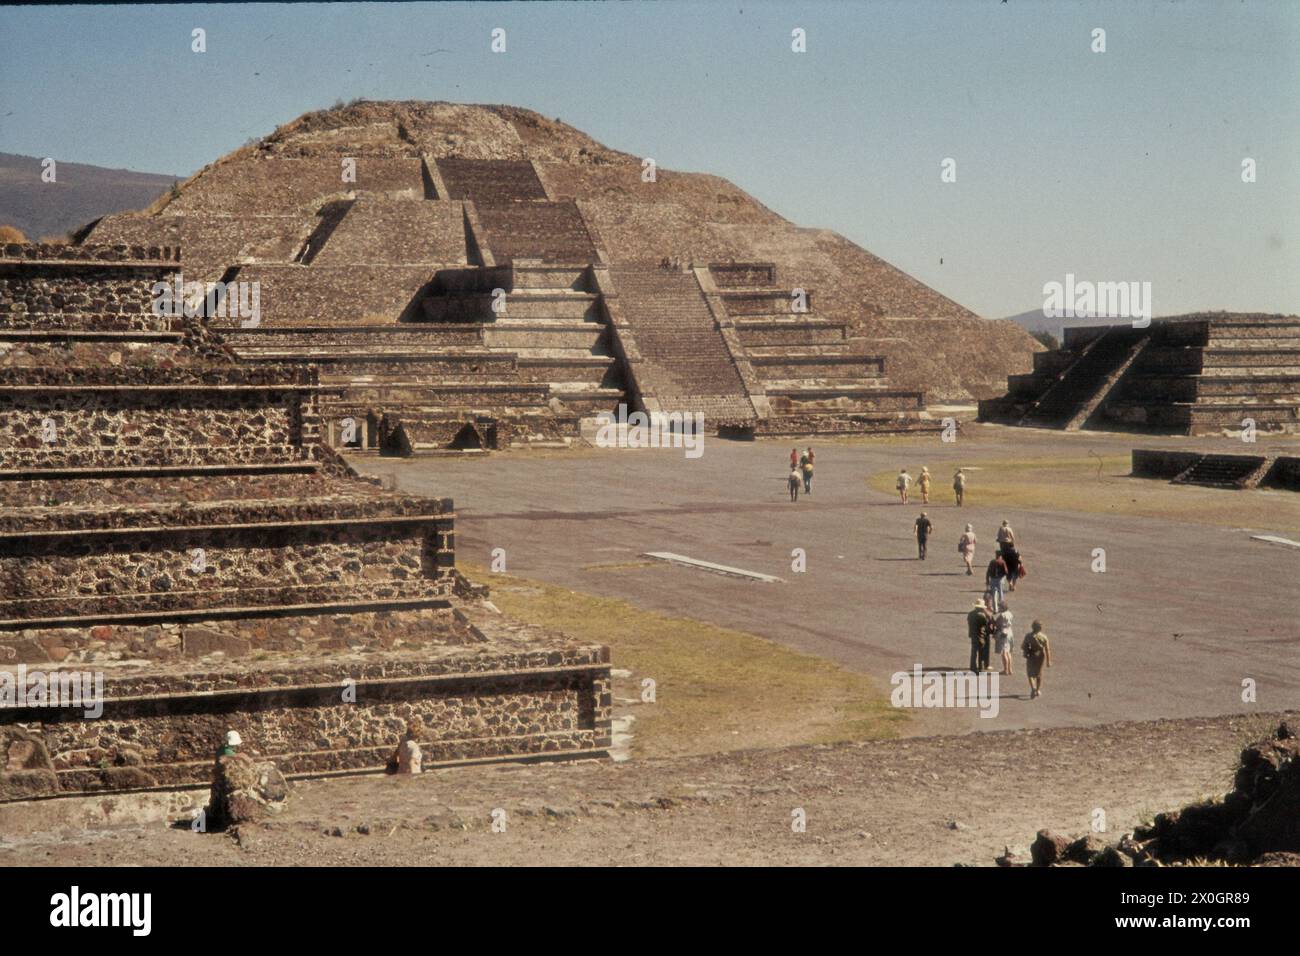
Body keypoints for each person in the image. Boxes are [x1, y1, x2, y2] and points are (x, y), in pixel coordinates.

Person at [1022, 620, 1052, 699]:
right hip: (1040, 656)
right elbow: (1047, 649)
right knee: (1039, 673)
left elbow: (1022, 646)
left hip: (1031, 655)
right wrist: (1048, 661)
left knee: (1030, 673)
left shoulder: (1028, 636)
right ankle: (1038, 690)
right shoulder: (1044, 637)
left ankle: (1033, 688)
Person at [967, 600, 991, 672]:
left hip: (973, 634)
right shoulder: (981, 616)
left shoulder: (970, 614)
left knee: (973, 651)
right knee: (981, 652)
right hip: (980, 636)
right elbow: (987, 623)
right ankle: (980, 667)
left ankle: (972, 666)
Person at [994, 606, 1015, 676]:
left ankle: (1005, 670)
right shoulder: (1010, 613)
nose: (999, 609)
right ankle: (1010, 669)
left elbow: (997, 623)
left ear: (1002, 608)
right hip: (1009, 632)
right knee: (1008, 652)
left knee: (1004, 652)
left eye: (1000, 608)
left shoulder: (1002, 615)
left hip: (1003, 632)